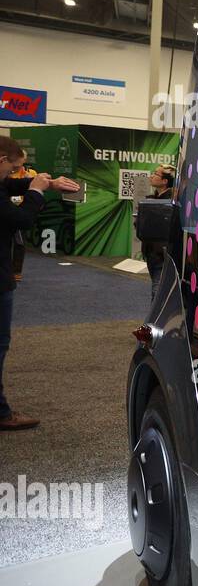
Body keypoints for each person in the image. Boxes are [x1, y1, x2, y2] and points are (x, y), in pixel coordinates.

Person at [0, 138, 79, 432]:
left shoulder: (4, 183)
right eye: (14, 167)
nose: (17, 173)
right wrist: (35, 192)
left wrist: (47, 183)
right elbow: (21, 219)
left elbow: (8, 187)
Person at [142, 164, 176, 299]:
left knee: (157, 292)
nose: (151, 176)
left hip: (161, 252)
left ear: (164, 181)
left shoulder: (170, 202)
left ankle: (155, 320)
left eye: (155, 174)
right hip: (151, 251)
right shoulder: (153, 198)